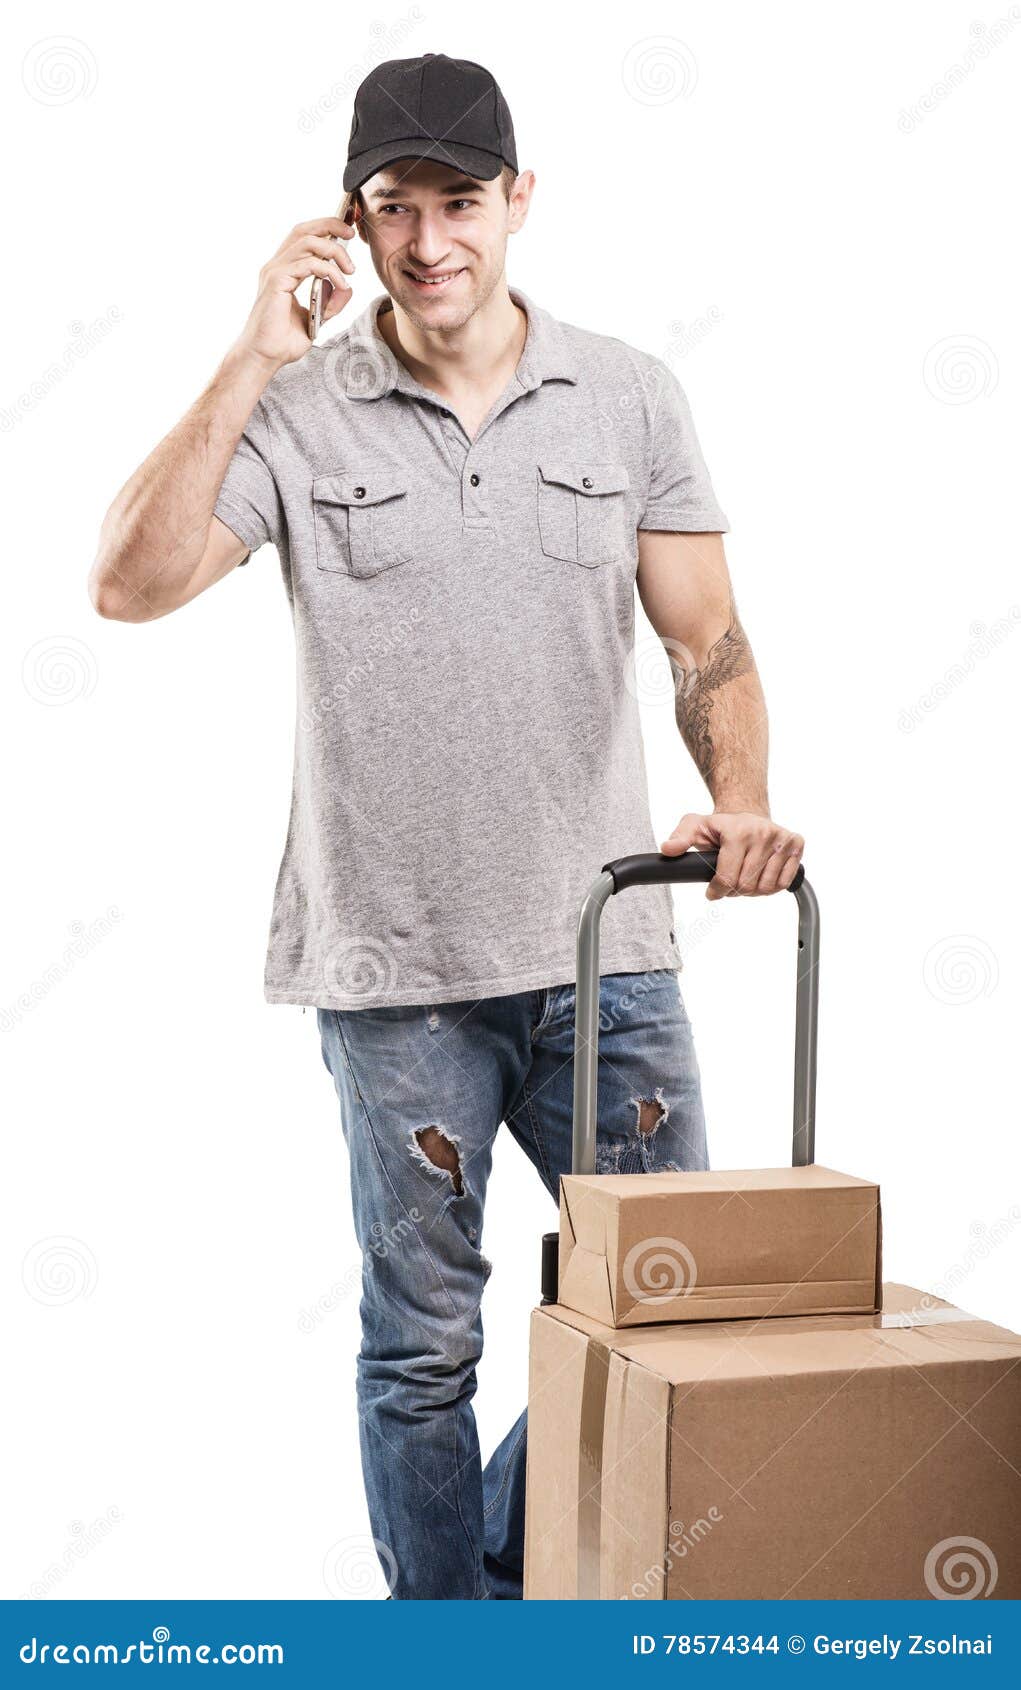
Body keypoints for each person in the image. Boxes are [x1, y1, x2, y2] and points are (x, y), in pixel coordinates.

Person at [90, 52, 804, 1600]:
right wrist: (244, 352)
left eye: (460, 204)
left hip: (604, 953)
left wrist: (740, 803)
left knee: (680, 1303)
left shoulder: (627, 394)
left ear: (518, 201)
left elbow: (710, 641)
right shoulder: (294, 412)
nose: (428, 246)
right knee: (423, 1346)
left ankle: (487, 1578)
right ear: (351, 219)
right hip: (390, 966)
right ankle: (443, 1644)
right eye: (393, 209)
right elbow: (129, 585)